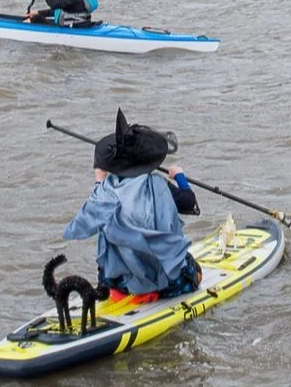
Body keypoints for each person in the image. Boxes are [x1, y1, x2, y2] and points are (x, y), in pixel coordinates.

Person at [64, 110, 202, 305]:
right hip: (165, 285)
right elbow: (189, 202)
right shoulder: (158, 185)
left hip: (119, 285)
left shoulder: (104, 190)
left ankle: (121, 290)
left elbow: (88, 220)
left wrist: (99, 181)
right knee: (195, 272)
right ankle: (153, 289)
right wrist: (179, 176)